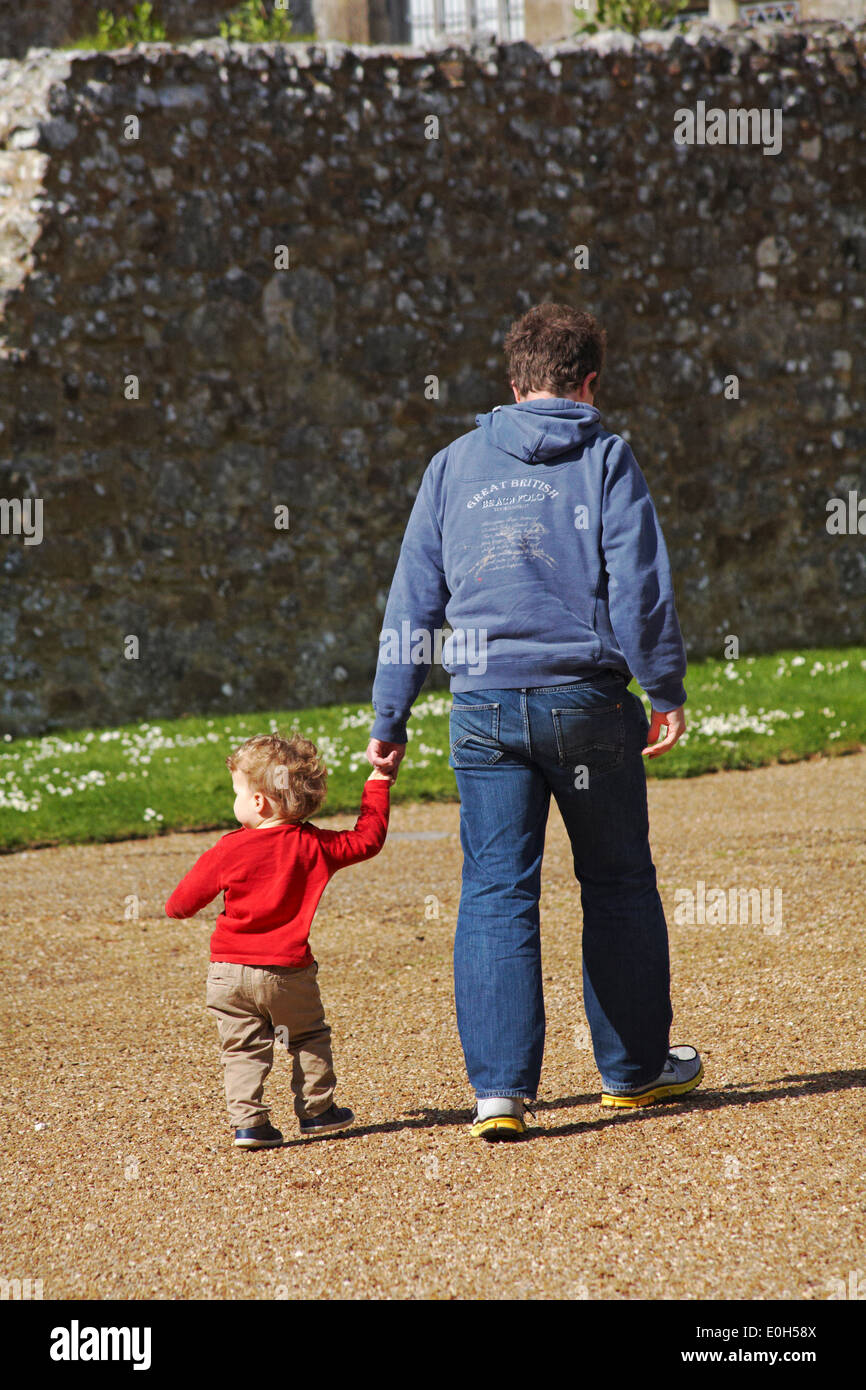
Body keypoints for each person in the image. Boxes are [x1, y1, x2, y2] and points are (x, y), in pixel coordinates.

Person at [366, 301, 703, 1140]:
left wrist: (390, 711)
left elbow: (414, 598)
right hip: (586, 702)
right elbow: (641, 589)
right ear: (590, 384)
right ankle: (630, 1076)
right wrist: (663, 687)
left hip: (481, 707)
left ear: (512, 383)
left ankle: (500, 1097)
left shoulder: (451, 464)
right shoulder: (607, 458)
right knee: (618, 881)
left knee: (494, 890)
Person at [166, 731, 390, 1149]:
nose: (234, 801)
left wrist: (178, 907)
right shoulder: (315, 845)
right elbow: (368, 839)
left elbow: (179, 904)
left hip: (227, 973)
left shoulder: (227, 849)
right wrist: (377, 784)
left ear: (258, 802)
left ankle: (250, 1124)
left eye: (237, 792)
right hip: (288, 973)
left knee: (242, 1048)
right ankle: (317, 1111)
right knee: (306, 1037)